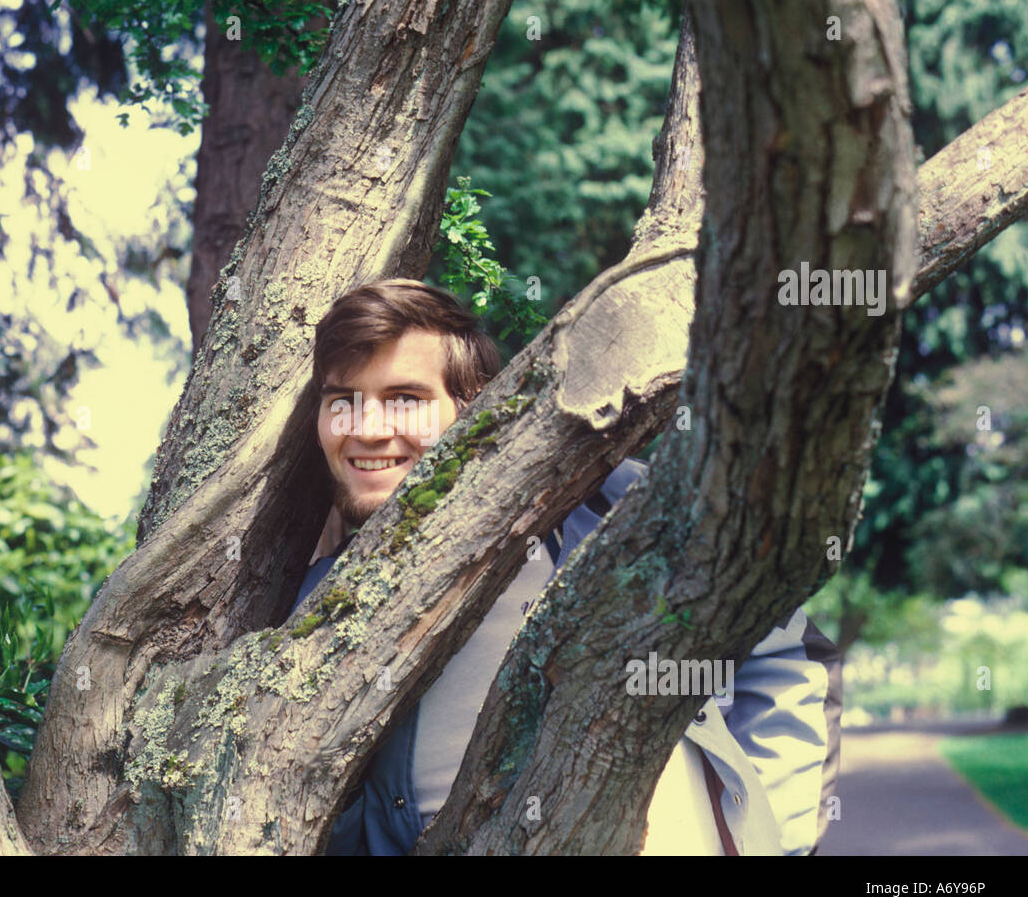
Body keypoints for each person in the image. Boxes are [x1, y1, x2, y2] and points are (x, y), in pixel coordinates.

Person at [294, 278, 841, 855]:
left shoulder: (617, 510)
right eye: (342, 401)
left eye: (406, 398)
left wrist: (771, 843)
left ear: (474, 405)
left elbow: (784, 655)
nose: (368, 428)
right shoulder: (316, 610)